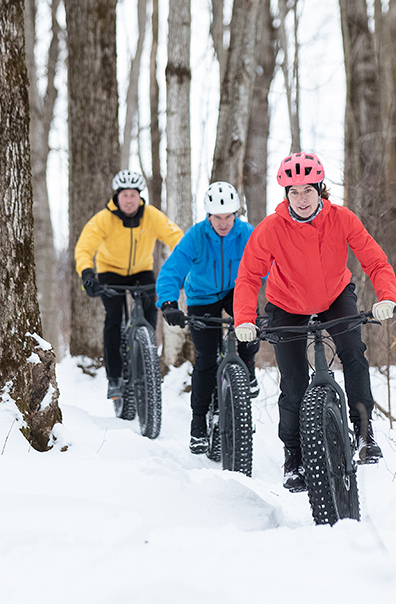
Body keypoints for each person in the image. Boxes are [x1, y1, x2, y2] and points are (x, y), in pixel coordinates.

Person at [233, 152, 396, 492]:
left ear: (320, 189)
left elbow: (376, 260)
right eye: (294, 192)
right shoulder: (271, 228)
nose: (301, 199)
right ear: (286, 195)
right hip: (287, 303)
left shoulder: (342, 218)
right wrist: (245, 319)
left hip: (335, 296)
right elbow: (249, 276)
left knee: (353, 351)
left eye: (307, 190)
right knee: (292, 380)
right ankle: (293, 455)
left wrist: (386, 297)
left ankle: (365, 434)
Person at [156, 181, 260, 454]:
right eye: (217, 217)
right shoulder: (196, 236)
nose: (223, 223)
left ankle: (247, 367)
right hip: (202, 297)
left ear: (236, 214)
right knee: (206, 359)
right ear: (208, 216)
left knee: (251, 324)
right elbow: (172, 270)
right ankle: (199, 423)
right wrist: (168, 303)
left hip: (237, 291)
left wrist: (278, 301)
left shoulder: (248, 233)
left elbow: (271, 266)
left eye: (228, 217)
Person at [75, 170, 183, 400]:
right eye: (125, 195)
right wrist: (87, 274)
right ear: (118, 196)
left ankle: (148, 358)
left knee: (149, 310)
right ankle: (114, 378)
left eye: (133, 194)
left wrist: (184, 266)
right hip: (110, 272)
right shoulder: (103, 219)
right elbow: (84, 248)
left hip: (141, 272)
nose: (129, 199)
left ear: (139, 196)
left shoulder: (152, 216)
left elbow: (177, 239)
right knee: (113, 317)